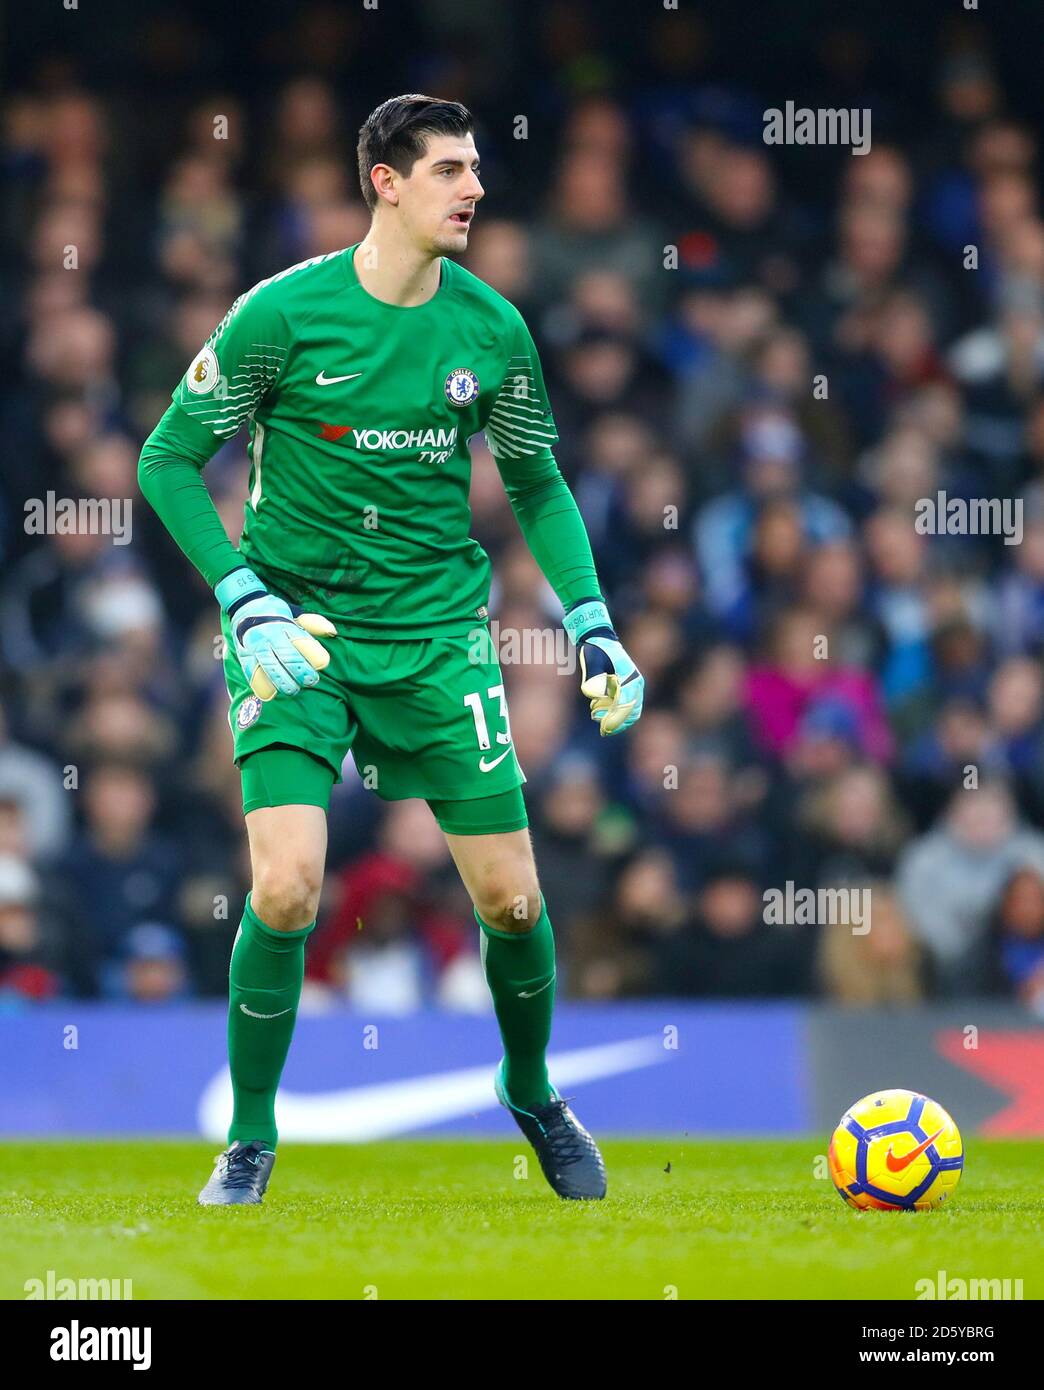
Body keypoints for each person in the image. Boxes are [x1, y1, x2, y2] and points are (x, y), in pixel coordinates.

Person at [137, 95, 644, 1205]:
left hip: (438, 639)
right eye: (452, 170)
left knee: (512, 900)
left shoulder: (493, 331)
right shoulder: (280, 316)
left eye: (476, 170)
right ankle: (253, 1137)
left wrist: (592, 620)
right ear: (386, 181)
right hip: (297, 631)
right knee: (284, 890)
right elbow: (167, 460)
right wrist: (239, 594)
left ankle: (531, 1088)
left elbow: (537, 482)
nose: (473, 189)